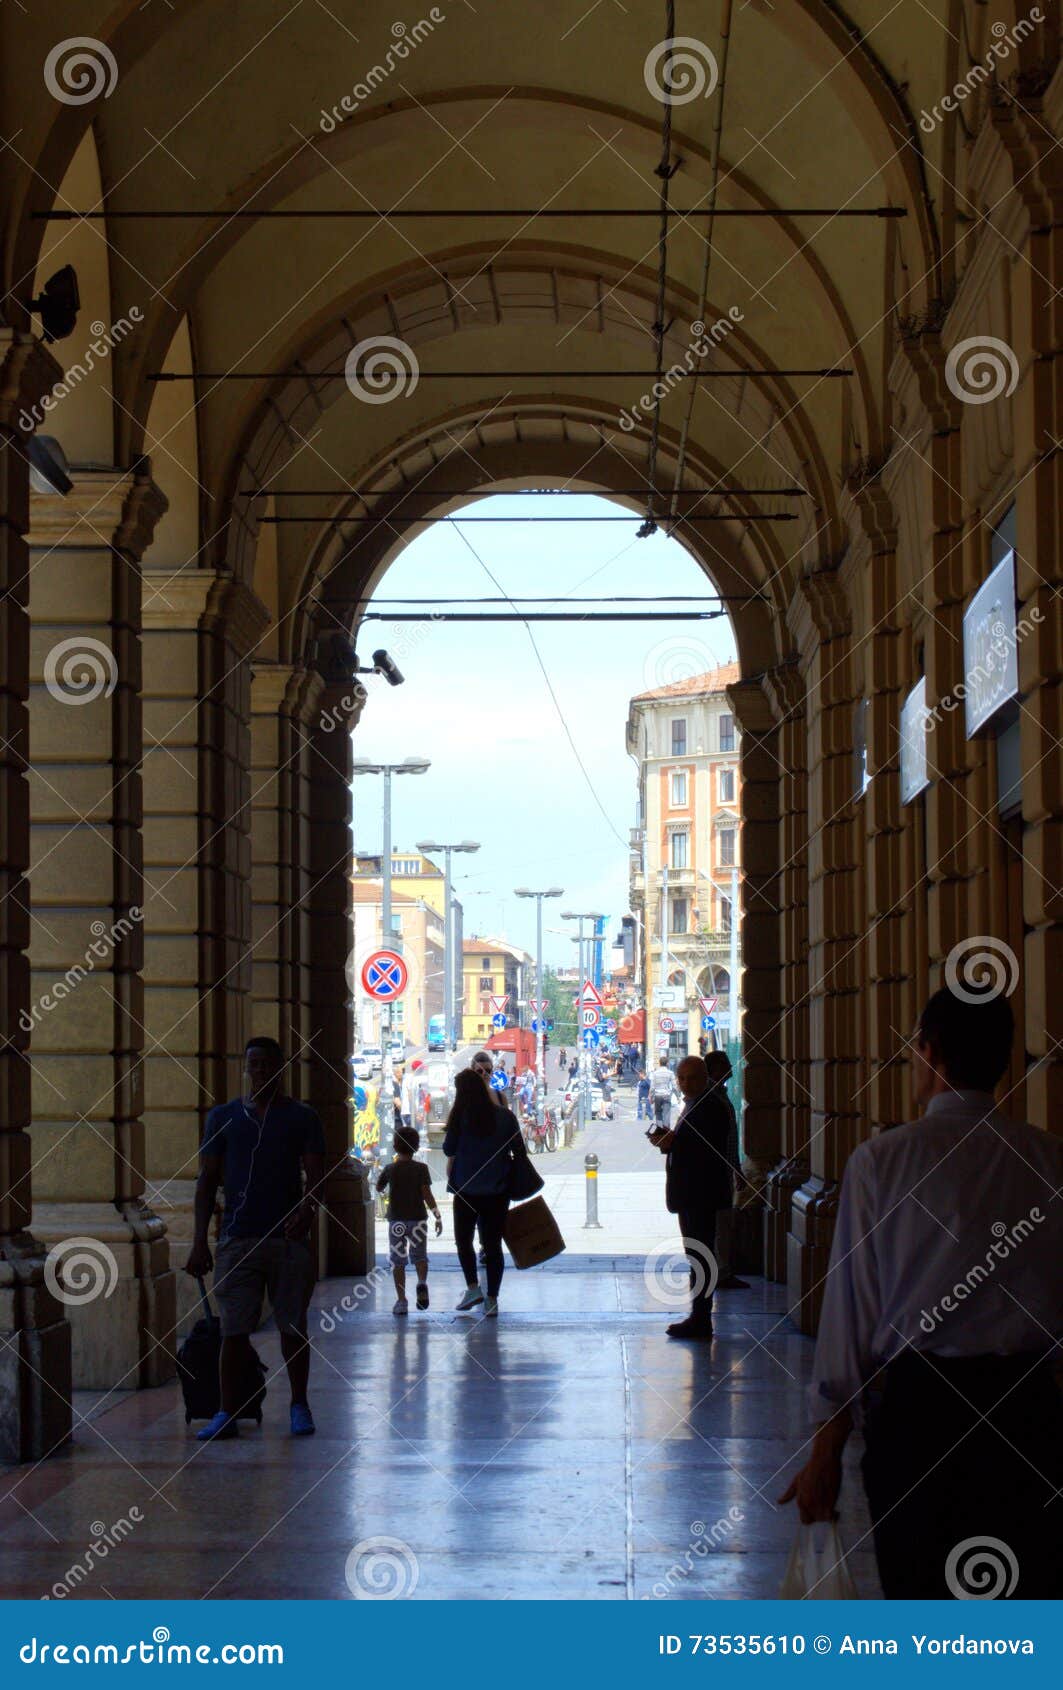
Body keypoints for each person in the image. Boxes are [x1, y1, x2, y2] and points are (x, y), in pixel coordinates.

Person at [780, 987, 1063, 1599]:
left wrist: (826, 1446)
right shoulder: (1047, 1160)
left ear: (929, 1054)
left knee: (922, 1600)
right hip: (1027, 1416)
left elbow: (849, 1313)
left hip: (920, 1419)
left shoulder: (881, 1162)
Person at [185, 1036, 325, 1441]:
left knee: (293, 1328)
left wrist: (307, 1212)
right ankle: (227, 1410)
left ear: (281, 1068)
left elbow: (318, 1177)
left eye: (269, 1064)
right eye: (255, 1064)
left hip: (287, 1240)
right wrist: (199, 1239)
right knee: (232, 1330)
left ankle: (299, 1404)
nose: (261, 1070)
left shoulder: (303, 1118)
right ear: (246, 1069)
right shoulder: (224, 1118)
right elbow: (207, 1181)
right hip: (237, 1238)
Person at [649, 1054, 731, 1340]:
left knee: (700, 1256)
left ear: (705, 1077)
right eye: (681, 1078)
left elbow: (707, 1152)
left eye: (692, 1078)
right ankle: (699, 1315)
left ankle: (701, 1319)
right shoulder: (696, 1104)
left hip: (701, 1193)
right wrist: (671, 1143)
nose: (685, 1084)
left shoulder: (710, 1107)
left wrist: (674, 1143)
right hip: (692, 1193)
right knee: (697, 1255)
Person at [442, 1068, 531, 1316]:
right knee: (493, 1245)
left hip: (465, 1190)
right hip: (497, 1190)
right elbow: (520, 1151)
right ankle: (492, 1298)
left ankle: (473, 1287)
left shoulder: (460, 1118)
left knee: (464, 1241)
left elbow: (449, 1150)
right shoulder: (505, 1117)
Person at [376, 1125, 442, 1315]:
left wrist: (383, 1180)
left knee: (398, 1261)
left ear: (395, 1147)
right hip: (418, 1220)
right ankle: (421, 1282)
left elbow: (380, 1188)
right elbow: (427, 1194)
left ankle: (401, 1301)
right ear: (416, 1147)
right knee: (420, 1256)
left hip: (396, 1221)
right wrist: (437, 1215)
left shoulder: (390, 1169)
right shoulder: (421, 1168)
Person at [704, 1049, 749, 1291]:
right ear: (714, 1069)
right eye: (726, 1065)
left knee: (721, 1223)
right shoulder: (712, 1096)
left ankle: (720, 1271)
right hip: (717, 1172)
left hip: (721, 1170)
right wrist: (736, 1169)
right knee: (720, 1224)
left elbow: (729, 1139)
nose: (731, 1068)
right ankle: (720, 1273)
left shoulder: (718, 1093)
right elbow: (723, 1139)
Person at [649, 1055, 678, 1128]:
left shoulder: (655, 1073)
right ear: (667, 1063)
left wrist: (651, 1098)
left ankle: (659, 1129)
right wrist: (678, 1096)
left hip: (657, 1095)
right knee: (667, 1113)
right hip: (667, 1095)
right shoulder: (670, 1073)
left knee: (658, 1113)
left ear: (659, 1063)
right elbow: (674, 1086)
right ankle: (666, 1130)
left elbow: (652, 1087)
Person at [399, 1057, 424, 1128]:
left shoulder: (407, 1078)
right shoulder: (412, 1079)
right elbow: (410, 1097)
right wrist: (416, 1114)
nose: (422, 1071)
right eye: (421, 1069)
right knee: (413, 1135)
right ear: (418, 1069)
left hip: (407, 1112)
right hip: (410, 1112)